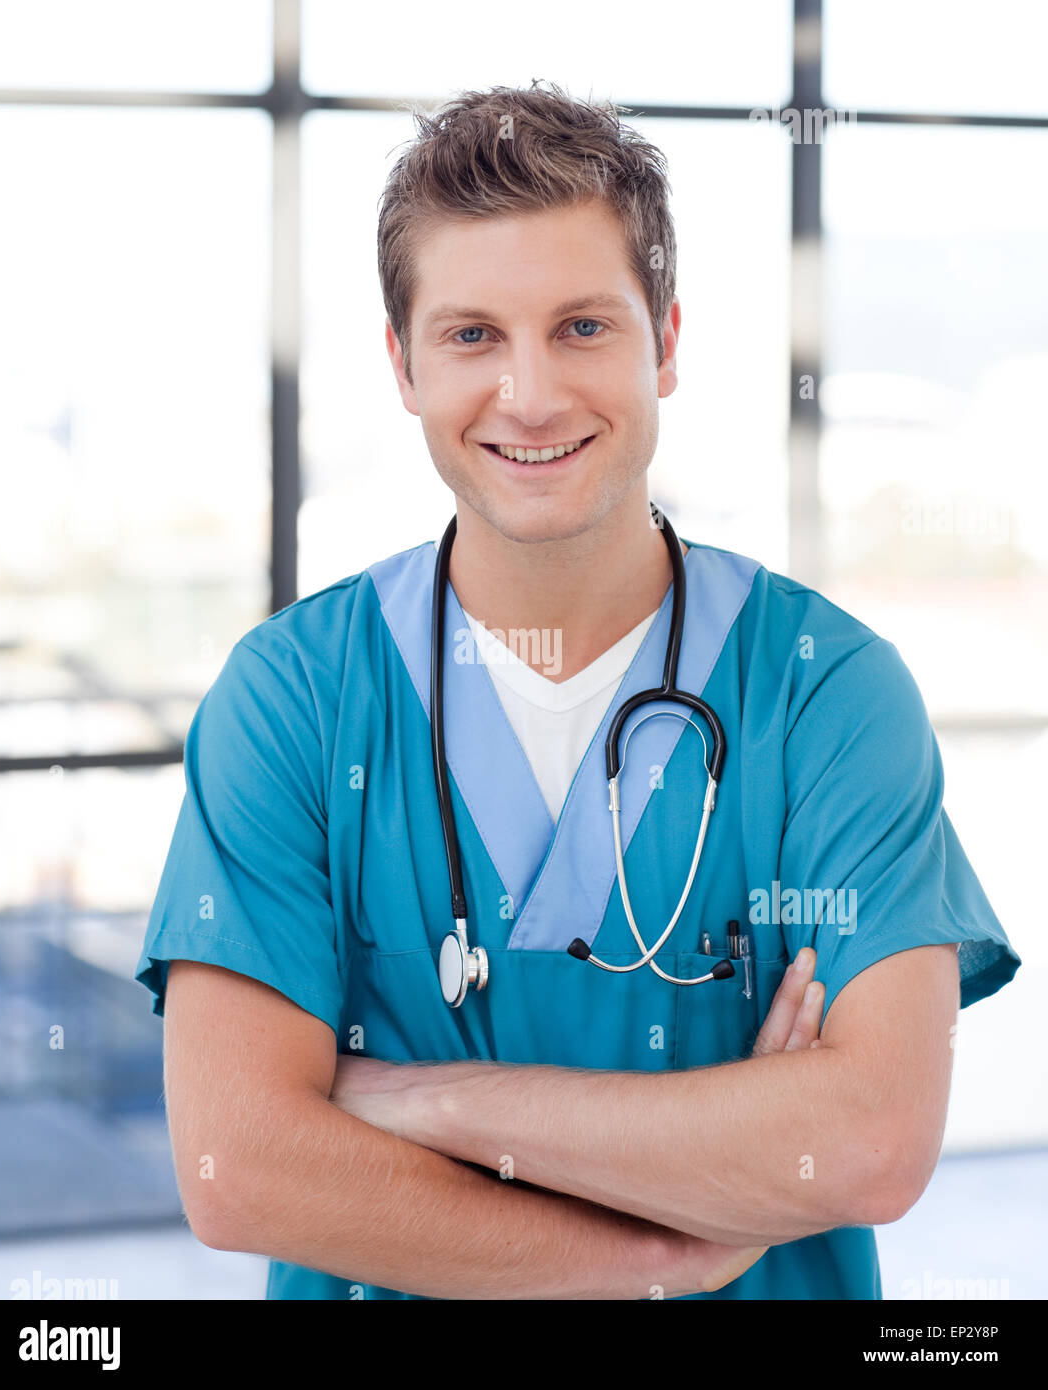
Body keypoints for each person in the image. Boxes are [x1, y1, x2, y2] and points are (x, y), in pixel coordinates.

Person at [135, 81, 1020, 1301]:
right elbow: (239, 1164)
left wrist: (419, 1098)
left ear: (664, 340)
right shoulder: (294, 697)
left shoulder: (825, 692)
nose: (532, 394)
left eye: (582, 327)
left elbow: (866, 1142)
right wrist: (666, 1251)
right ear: (402, 364)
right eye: (471, 336)